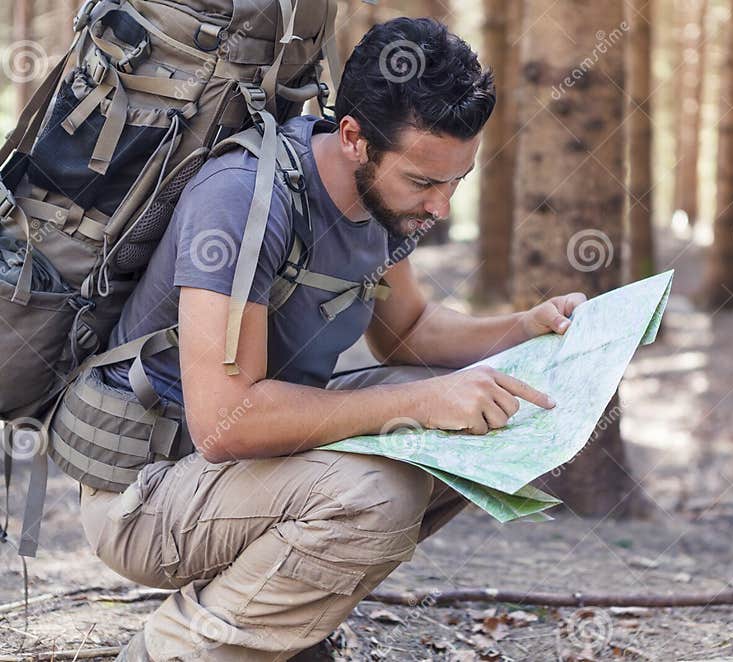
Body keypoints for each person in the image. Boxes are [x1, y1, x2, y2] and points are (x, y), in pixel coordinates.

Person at [75, 17, 586, 660]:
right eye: (425, 182)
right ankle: (172, 651)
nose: (441, 208)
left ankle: (277, 620)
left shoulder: (380, 201)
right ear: (353, 138)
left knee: (487, 419)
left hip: (243, 472)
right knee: (379, 491)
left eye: (458, 180)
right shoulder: (243, 200)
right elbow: (225, 424)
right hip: (146, 491)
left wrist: (524, 328)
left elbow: (409, 334)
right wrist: (424, 404)